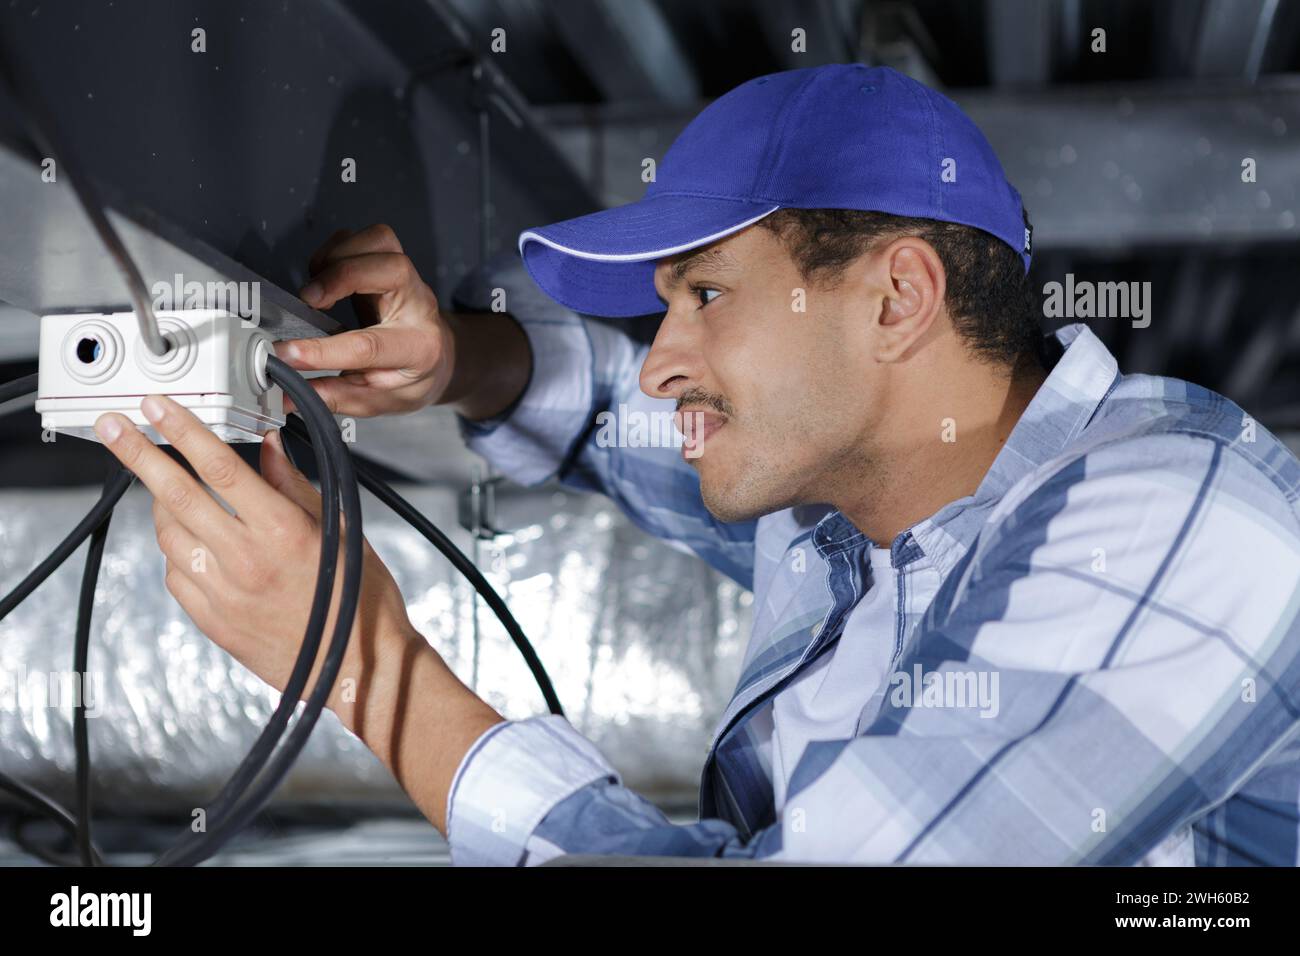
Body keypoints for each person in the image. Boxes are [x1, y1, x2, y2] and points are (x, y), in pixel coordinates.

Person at [94, 65, 1300, 865]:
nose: (665, 359)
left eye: (707, 294)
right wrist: (461, 360)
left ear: (897, 299)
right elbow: (624, 421)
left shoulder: (1176, 522)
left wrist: (366, 665)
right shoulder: (854, 508)